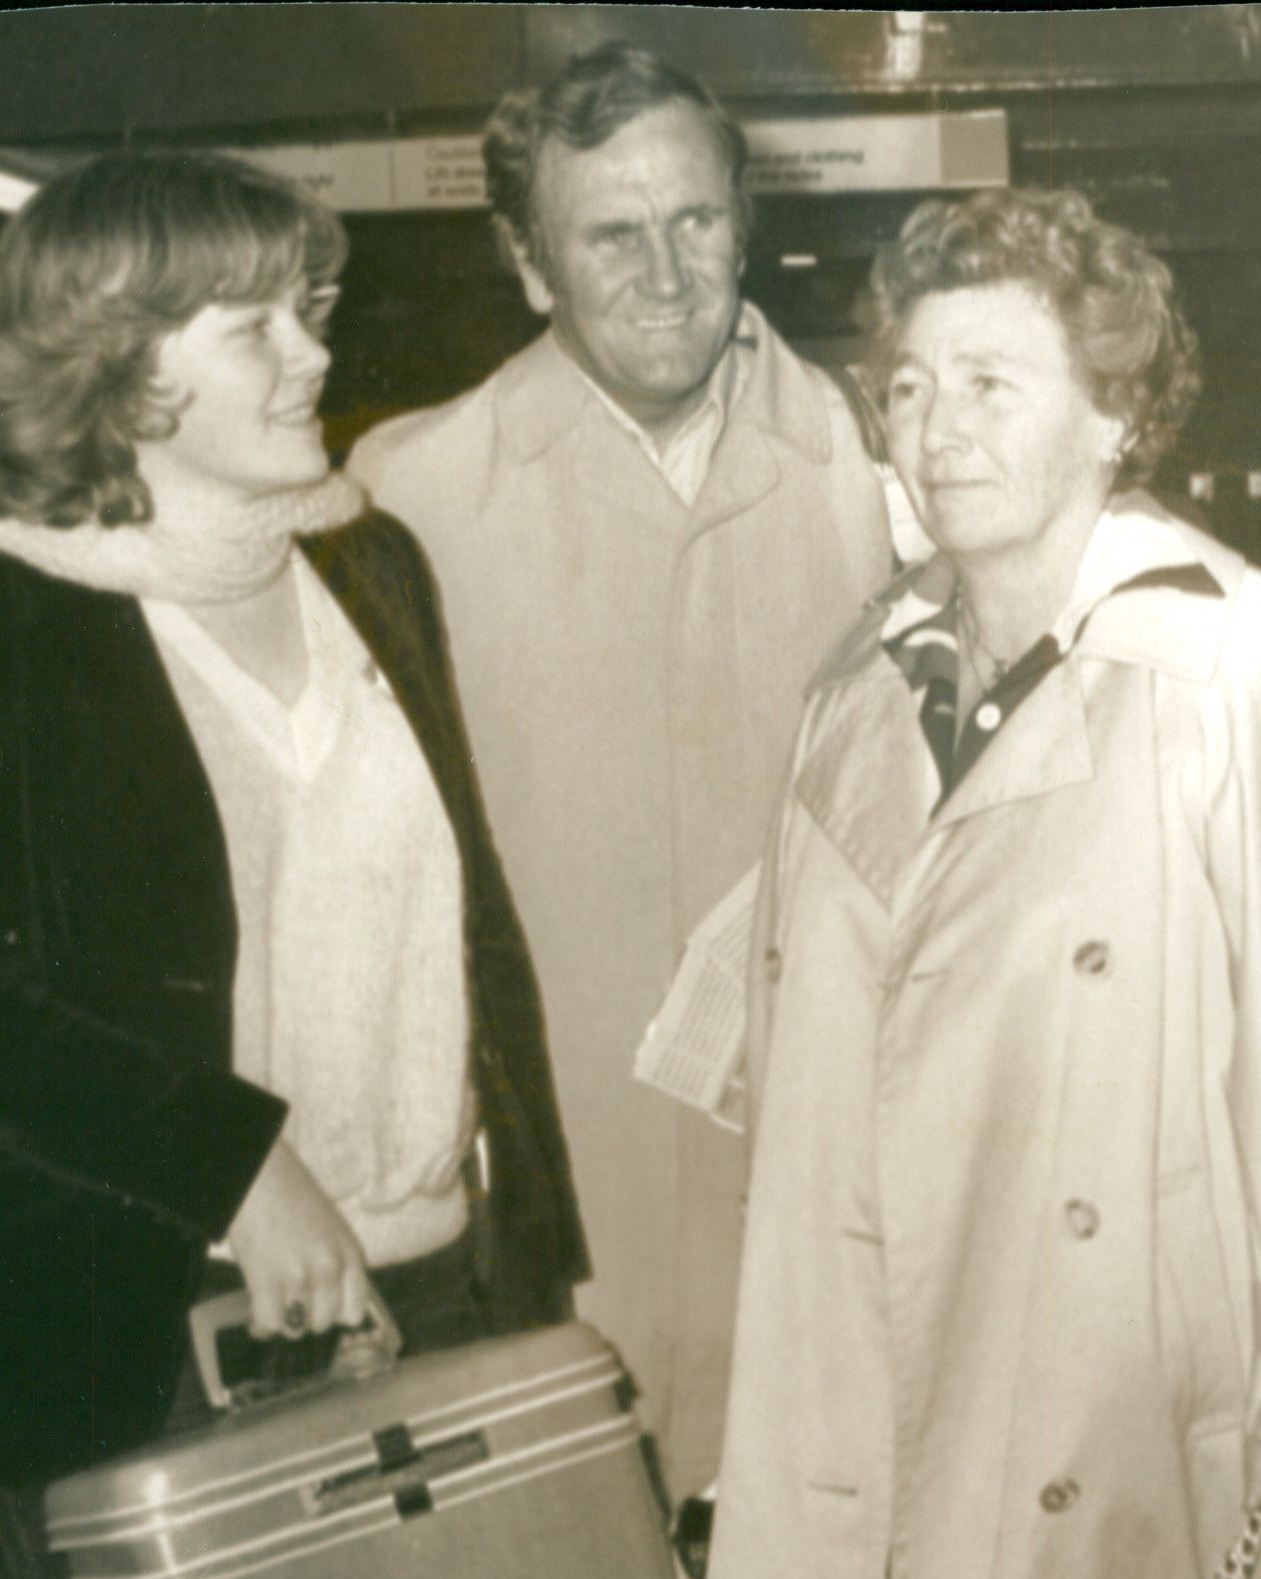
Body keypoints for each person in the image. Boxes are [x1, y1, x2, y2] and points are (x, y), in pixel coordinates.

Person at [686, 188, 1261, 1579]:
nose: (936, 427)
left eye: (992, 383)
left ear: (1113, 413)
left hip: (1107, 1344)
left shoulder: (1237, 660)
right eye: (909, 387)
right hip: (863, 1342)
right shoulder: (859, 682)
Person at [0, 151, 587, 1579]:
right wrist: (239, 1168)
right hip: (132, 1328)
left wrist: (524, 1245)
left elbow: (465, 923)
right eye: (256, 329)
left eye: (313, 312)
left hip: (419, 1287)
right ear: (119, 368)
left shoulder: (369, 564)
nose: (314, 356)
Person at [350, 43, 892, 1499]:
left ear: (743, 220)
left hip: (829, 1203)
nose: (666, 275)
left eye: (695, 222)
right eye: (610, 235)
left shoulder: (875, 470)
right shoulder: (406, 504)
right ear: (528, 265)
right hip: (555, 1246)